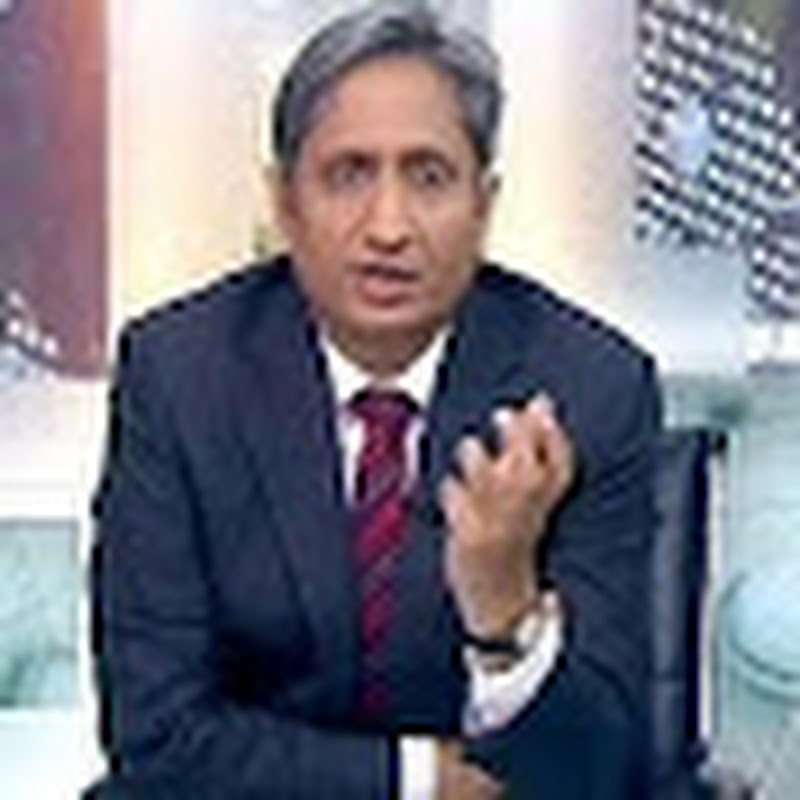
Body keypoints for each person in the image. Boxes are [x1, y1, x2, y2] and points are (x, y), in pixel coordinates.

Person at [87, 3, 661, 798]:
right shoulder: (181, 376)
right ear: (285, 203)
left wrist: (504, 608)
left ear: (484, 204)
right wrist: (413, 782)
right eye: (349, 175)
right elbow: (155, 733)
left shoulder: (589, 391)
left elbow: (600, 764)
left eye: (429, 177)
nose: (388, 227)